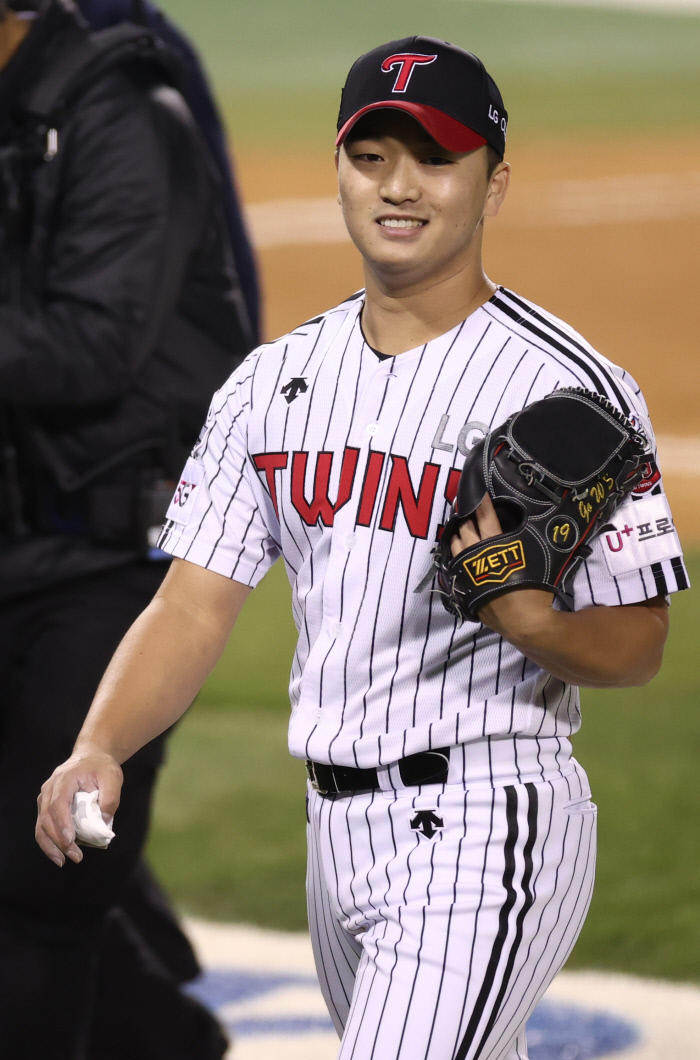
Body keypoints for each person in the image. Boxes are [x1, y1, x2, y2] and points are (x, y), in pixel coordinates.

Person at [37, 36, 688, 1060]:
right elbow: (191, 602)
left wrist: (532, 621)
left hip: (488, 820)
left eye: (434, 158)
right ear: (338, 168)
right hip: (334, 834)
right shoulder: (270, 384)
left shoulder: (570, 389)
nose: (398, 186)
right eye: (371, 156)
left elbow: (641, 642)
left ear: (492, 182)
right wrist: (100, 744)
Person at [0, 0, 255, 1056]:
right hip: (21, 537)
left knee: (36, 893)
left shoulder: (127, 117)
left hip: (114, 561)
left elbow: (93, 346)